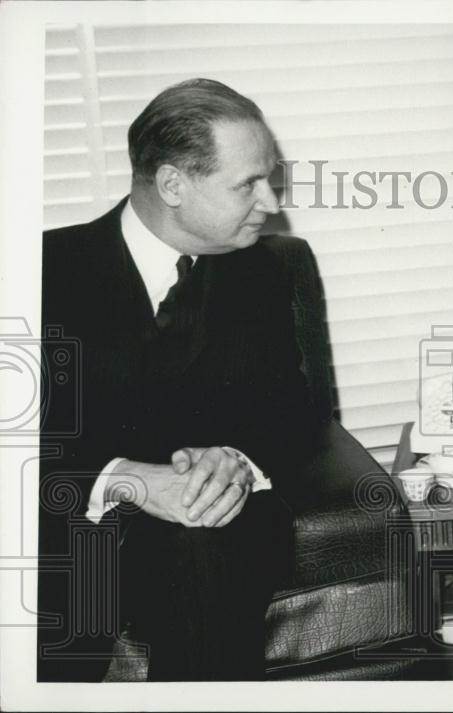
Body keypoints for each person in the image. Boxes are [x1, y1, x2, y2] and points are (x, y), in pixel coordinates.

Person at [39, 78, 314, 681]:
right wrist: (127, 479)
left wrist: (237, 460)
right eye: (248, 184)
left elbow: (292, 410)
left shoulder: (264, 273)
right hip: (74, 522)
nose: (271, 203)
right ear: (172, 185)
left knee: (205, 543)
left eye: (270, 178)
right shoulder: (42, 271)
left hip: (219, 527)